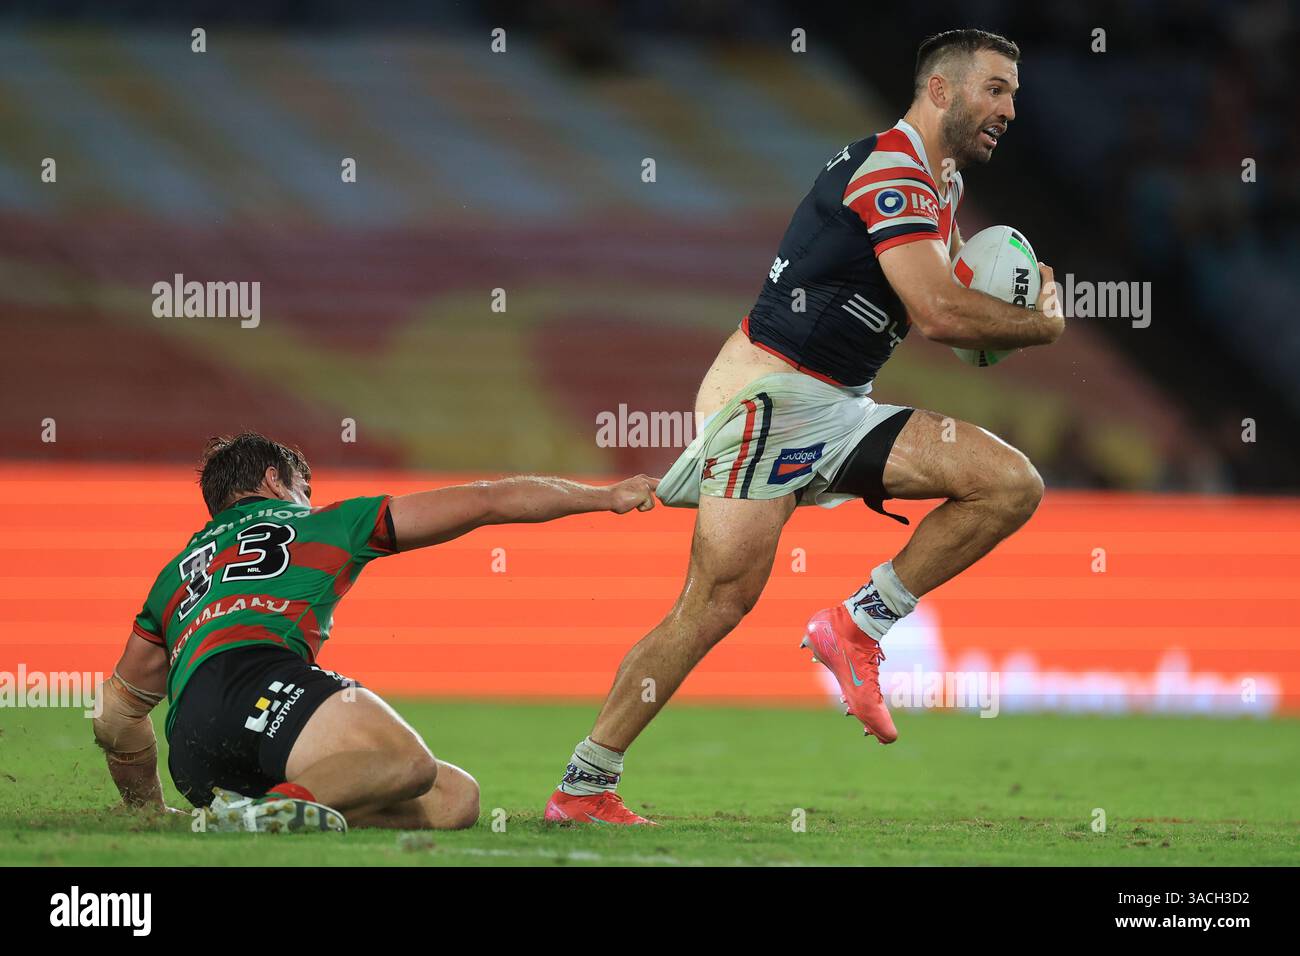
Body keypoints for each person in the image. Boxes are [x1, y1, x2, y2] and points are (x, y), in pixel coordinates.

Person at [544, 29, 1065, 825]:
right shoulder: (893, 171)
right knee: (717, 602)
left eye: (1014, 94)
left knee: (1006, 483)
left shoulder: (943, 181)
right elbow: (937, 312)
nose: (1010, 109)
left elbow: (960, 323)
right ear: (940, 91)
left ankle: (857, 624)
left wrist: (1002, 314)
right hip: (770, 400)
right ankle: (582, 787)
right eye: (996, 89)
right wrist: (1040, 325)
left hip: (835, 403)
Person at [93, 432, 657, 832]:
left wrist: (145, 809)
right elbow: (488, 500)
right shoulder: (321, 523)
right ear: (273, 479)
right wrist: (604, 496)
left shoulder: (177, 576)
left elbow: (115, 716)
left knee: (454, 800)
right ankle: (260, 817)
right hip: (261, 681)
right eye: (303, 485)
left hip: (195, 753)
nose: (308, 497)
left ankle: (257, 809)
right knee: (408, 763)